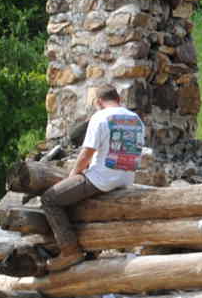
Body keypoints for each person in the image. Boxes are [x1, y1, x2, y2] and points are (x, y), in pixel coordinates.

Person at [40, 86, 146, 265]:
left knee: (50, 199)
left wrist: (73, 176)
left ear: (98, 102)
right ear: (118, 99)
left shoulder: (100, 117)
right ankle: (91, 250)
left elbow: (86, 154)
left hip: (103, 179)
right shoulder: (136, 119)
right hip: (127, 178)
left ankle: (69, 251)